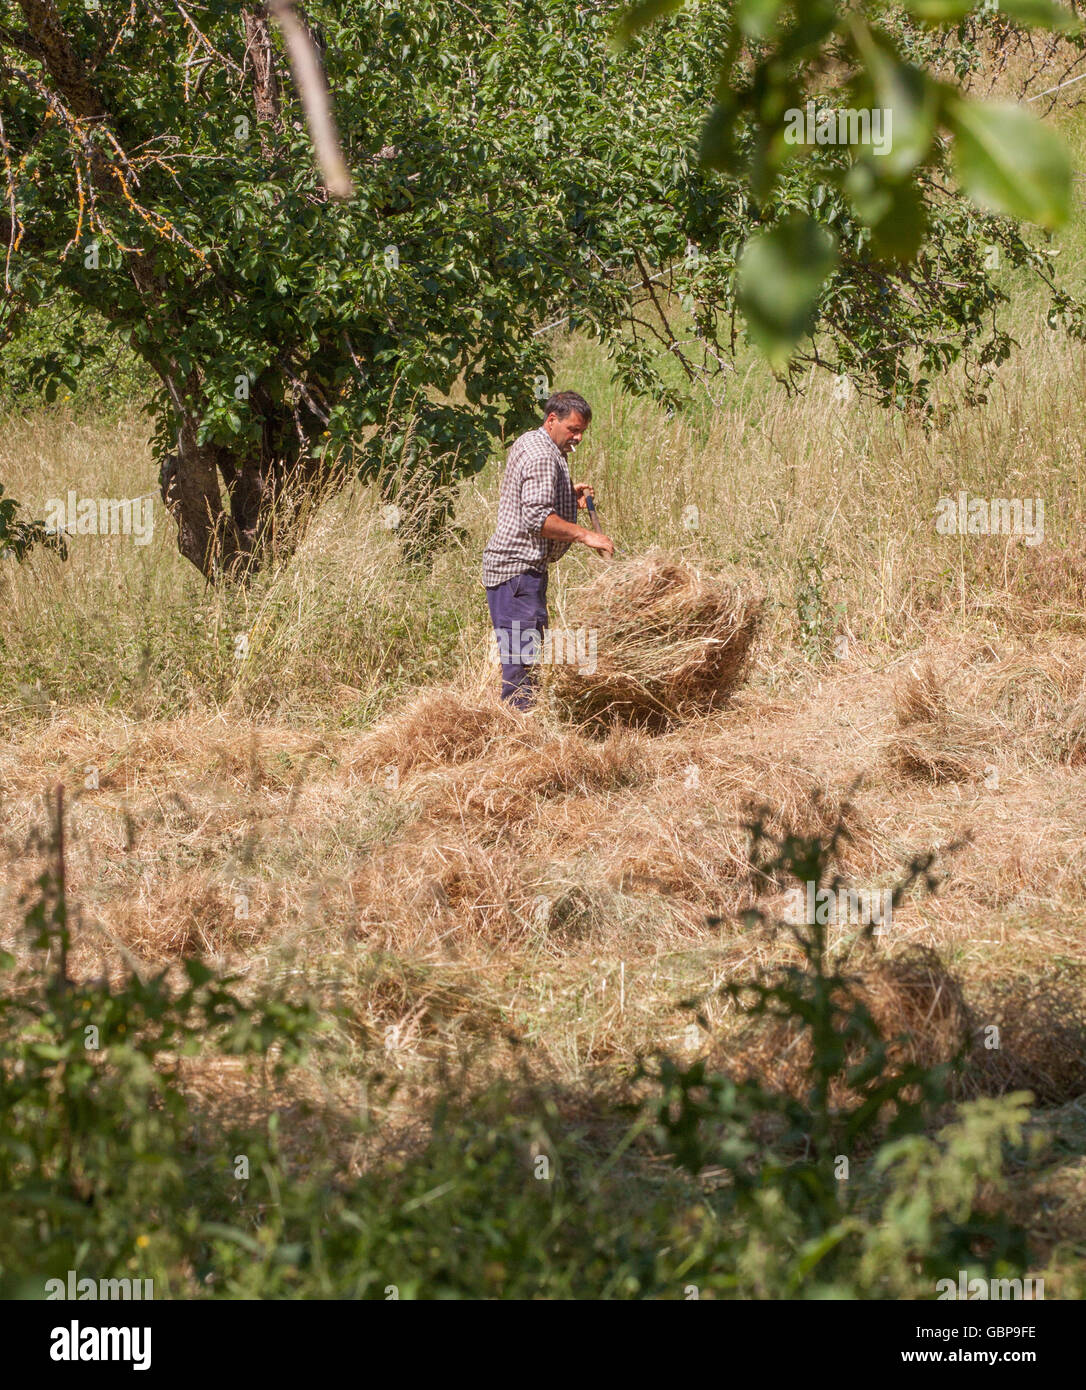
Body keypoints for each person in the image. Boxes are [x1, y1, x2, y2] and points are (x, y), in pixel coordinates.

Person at [482, 390, 614, 708]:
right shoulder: (542, 455)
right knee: (522, 670)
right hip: (517, 574)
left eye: (582, 431)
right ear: (552, 420)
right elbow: (538, 518)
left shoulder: (535, 442)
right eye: (573, 429)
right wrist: (586, 536)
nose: (578, 437)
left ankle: (523, 733)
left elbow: (532, 497)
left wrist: (568, 496)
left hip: (520, 574)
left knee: (527, 659)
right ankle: (518, 742)